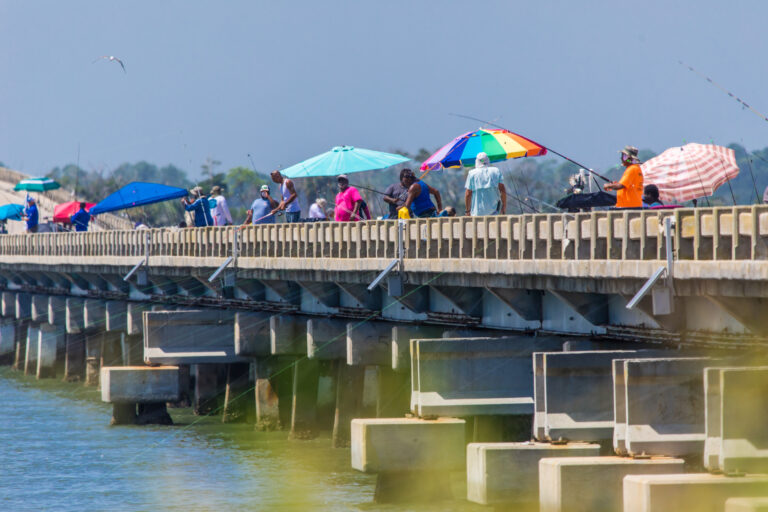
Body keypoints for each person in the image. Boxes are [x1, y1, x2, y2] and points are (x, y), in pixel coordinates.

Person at [464, 152, 506, 216]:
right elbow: (502, 190)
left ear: (477, 161)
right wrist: (504, 206)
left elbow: (468, 194)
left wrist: (467, 211)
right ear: (488, 160)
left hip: (477, 214)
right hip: (495, 213)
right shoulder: (496, 171)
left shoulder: (472, 173)